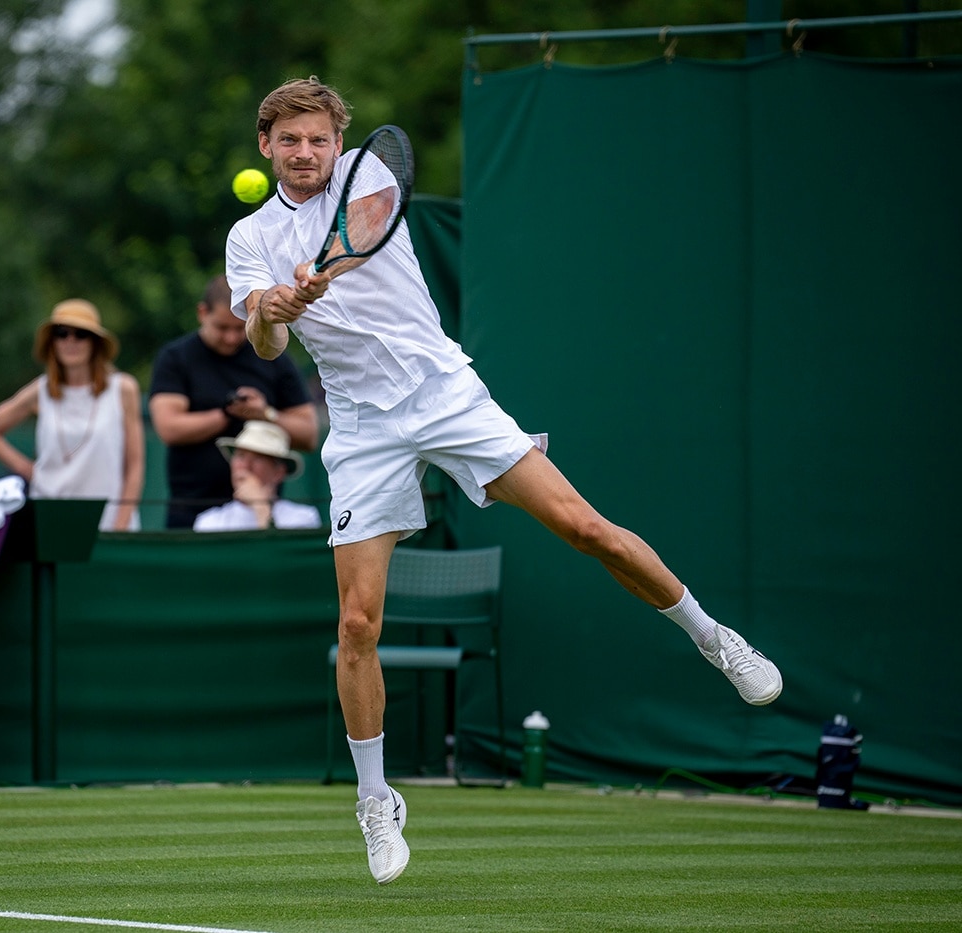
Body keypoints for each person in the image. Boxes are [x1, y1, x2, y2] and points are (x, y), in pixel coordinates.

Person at [225, 76, 784, 885]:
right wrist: (273, 307)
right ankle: (377, 801)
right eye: (289, 140)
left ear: (336, 144)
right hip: (363, 426)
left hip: (446, 393)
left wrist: (316, 276)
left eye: (317, 139)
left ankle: (713, 636)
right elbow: (267, 347)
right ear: (266, 148)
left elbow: (363, 233)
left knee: (584, 527)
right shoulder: (249, 238)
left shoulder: (367, 179)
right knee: (356, 624)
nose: (304, 152)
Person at [149, 273, 318, 528]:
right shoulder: (176, 358)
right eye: (222, 328)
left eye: (239, 328)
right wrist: (228, 414)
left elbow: (309, 435)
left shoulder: (272, 357)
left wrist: (265, 413)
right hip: (191, 507)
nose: (231, 338)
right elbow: (169, 428)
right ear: (202, 313)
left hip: (262, 511)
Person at [0, 299, 143, 532]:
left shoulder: (122, 389)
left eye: (81, 334)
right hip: (51, 519)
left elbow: (134, 466)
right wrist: (29, 470)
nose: (70, 341)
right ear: (52, 342)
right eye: (61, 333)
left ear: (95, 343)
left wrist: (121, 525)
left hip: (109, 522)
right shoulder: (41, 390)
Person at [193, 420, 321, 531]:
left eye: (258, 458)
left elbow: (277, 557)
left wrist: (261, 507)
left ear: (278, 472)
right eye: (241, 456)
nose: (245, 466)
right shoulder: (209, 521)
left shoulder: (303, 518)